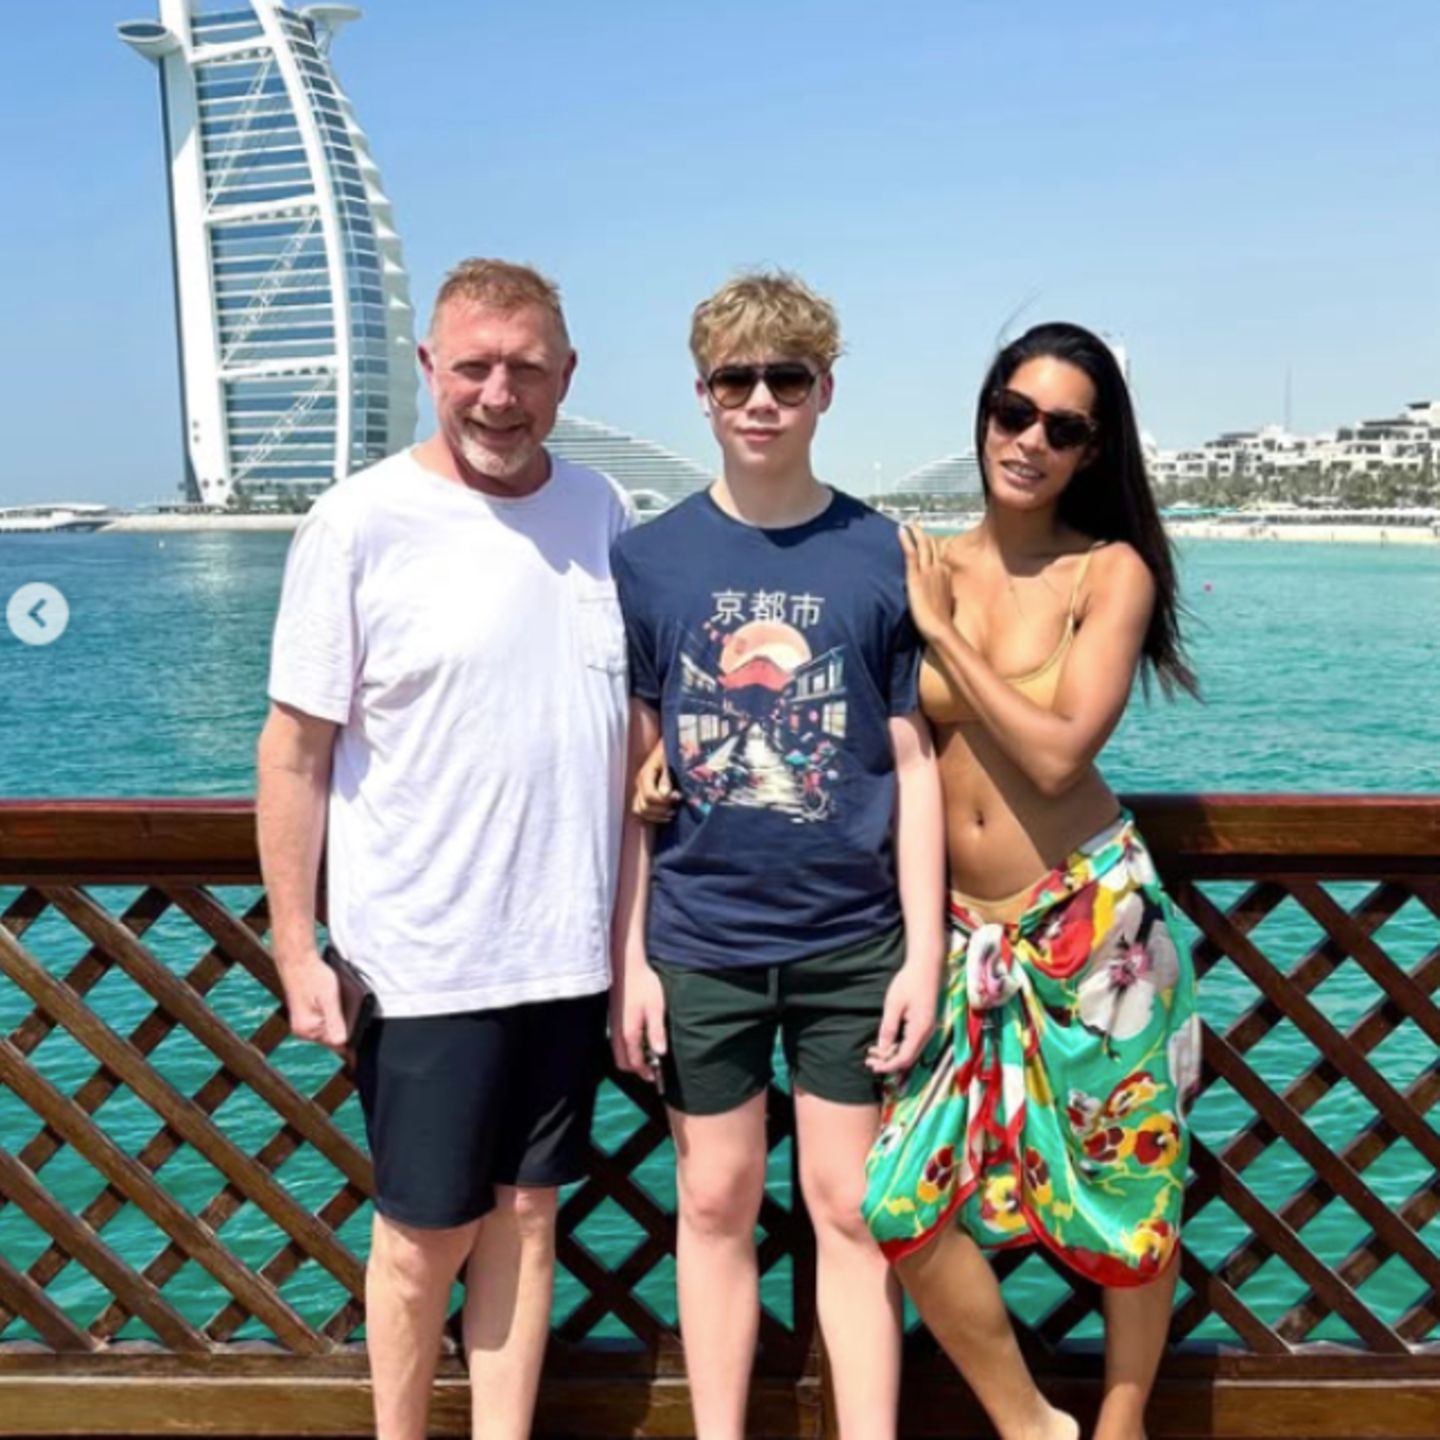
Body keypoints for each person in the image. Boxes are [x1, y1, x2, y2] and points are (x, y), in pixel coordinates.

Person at [256, 258, 633, 1440]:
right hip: (422, 959)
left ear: (567, 375)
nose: (498, 395)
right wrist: (294, 948)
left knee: (529, 1218)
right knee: (423, 1238)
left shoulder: (604, 511)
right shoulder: (357, 522)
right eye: (473, 367)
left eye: (526, 368)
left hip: (568, 954)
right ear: (430, 367)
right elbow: (294, 752)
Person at [610, 270, 946, 1440]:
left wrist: (924, 956)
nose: (761, 401)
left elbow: (913, 763)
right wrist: (629, 959)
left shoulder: (884, 553)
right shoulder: (649, 561)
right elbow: (635, 783)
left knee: (850, 1209)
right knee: (713, 1200)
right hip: (699, 940)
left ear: (824, 392)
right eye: (736, 380)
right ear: (703, 394)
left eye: (786, 379)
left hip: (853, 941)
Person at [862, 322, 1202, 1440]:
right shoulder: (922, 563)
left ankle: (1121, 1421)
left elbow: (1059, 755)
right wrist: (665, 756)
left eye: (1063, 429)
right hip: (957, 934)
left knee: (1128, 1179)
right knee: (901, 1199)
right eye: (1015, 413)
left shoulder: (1111, 572)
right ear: (985, 414)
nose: (1030, 442)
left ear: (1092, 451)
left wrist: (943, 639)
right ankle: (1030, 1425)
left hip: (1092, 920)